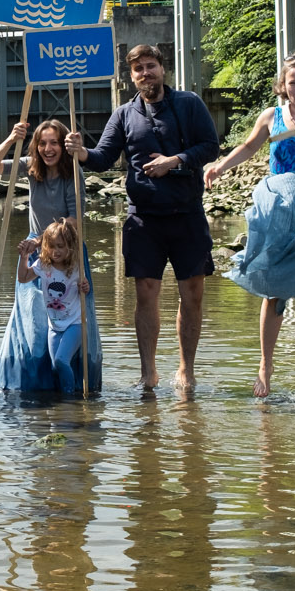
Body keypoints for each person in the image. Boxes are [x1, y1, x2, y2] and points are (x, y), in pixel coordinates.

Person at [72, 44, 221, 396]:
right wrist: (81, 153)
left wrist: (175, 160)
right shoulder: (124, 114)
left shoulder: (188, 104)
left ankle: (186, 369)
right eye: (138, 69)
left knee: (193, 294)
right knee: (145, 294)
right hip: (144, 221)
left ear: (162, 69)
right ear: (131, 76)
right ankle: (148, 372)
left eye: (150, 66)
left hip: (187, 215)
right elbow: (103, 158)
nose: (145, 73)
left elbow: (211, 146)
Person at [204, 54, 295, 402]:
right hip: (281, 210)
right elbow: (249, 147)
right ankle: (265, 365)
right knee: (275, 288)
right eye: (292, 83)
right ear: (282, 86)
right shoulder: (273, 116)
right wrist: (221, 166)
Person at [0, 118, 101, 392]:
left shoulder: (73, 172)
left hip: (67, 251)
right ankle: (35, 384)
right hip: (36, 252)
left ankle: (74, 385)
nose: (48, 149)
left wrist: (44, 240)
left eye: (54, 143)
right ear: (36, 146)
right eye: (43, 143)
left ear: (63, 146)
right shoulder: (30, 166)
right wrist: (12, 140)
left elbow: (75, 220)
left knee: (73, 313)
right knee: (33, 321)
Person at [17, 219, 89, 394]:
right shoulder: (43, 265)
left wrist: (84, 287)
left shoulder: (76, 266)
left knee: (61, 361)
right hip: (54, 327)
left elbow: (85, 287)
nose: (56, 251)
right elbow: (23, 278)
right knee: (56, 367)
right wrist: (24, 257)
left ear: (70, 247)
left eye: (61, 246)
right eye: (52, 246)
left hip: (75, 324)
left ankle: (71, 402)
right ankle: (65, 402)